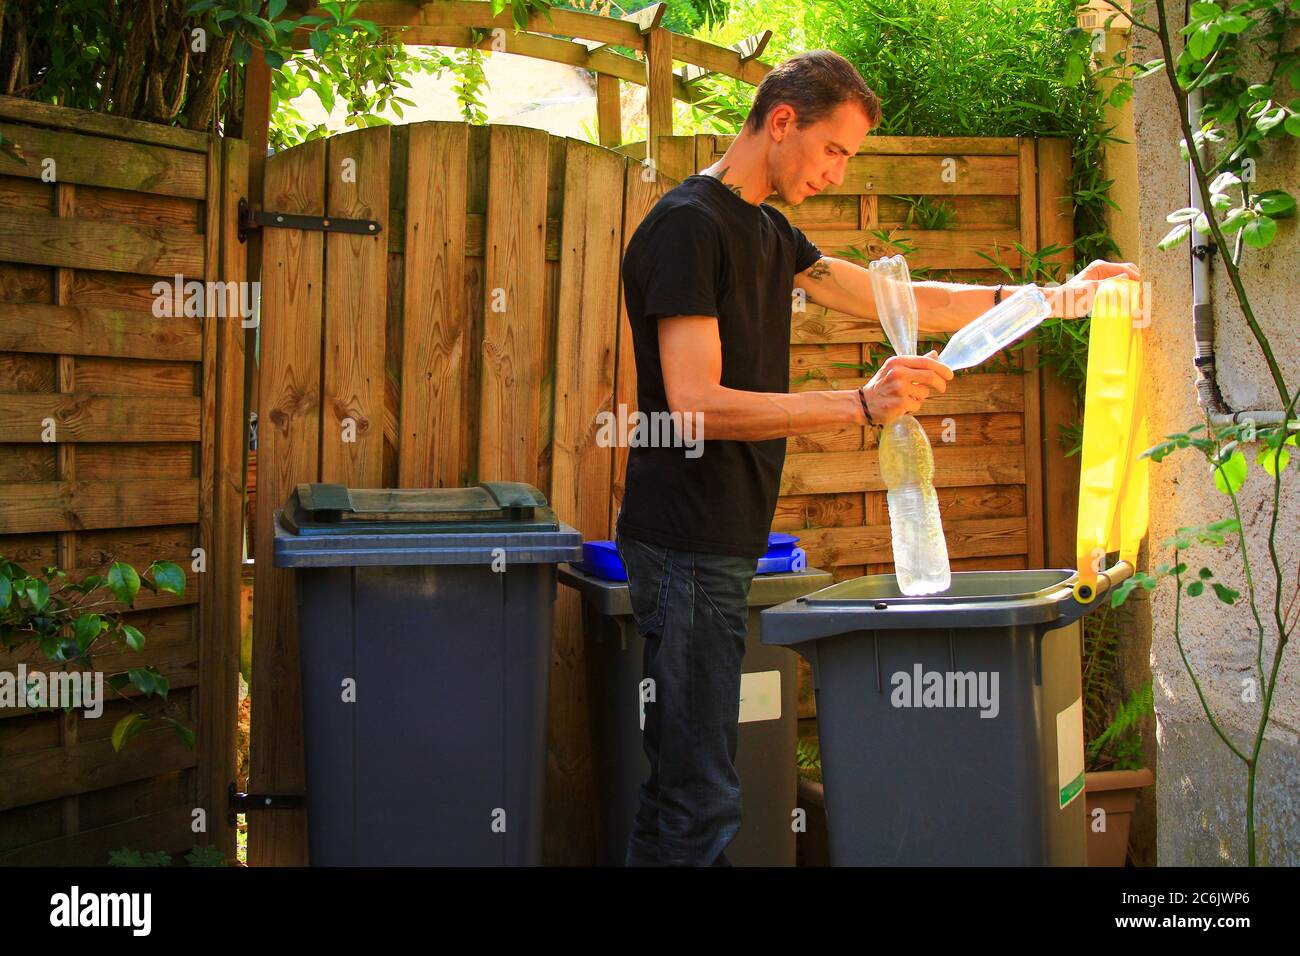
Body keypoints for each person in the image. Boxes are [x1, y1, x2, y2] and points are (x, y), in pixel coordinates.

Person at [614, 49, 1139, 867]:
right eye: (834, 151)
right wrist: (861, 404)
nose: (838, 172)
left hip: (717, 538)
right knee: (699, 795)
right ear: (781, 122)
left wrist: (1058, 297)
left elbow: (904, 300)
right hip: (684, 543)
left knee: (682, 788)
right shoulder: (691, 225)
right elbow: (693, 404)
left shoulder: (765, 228)